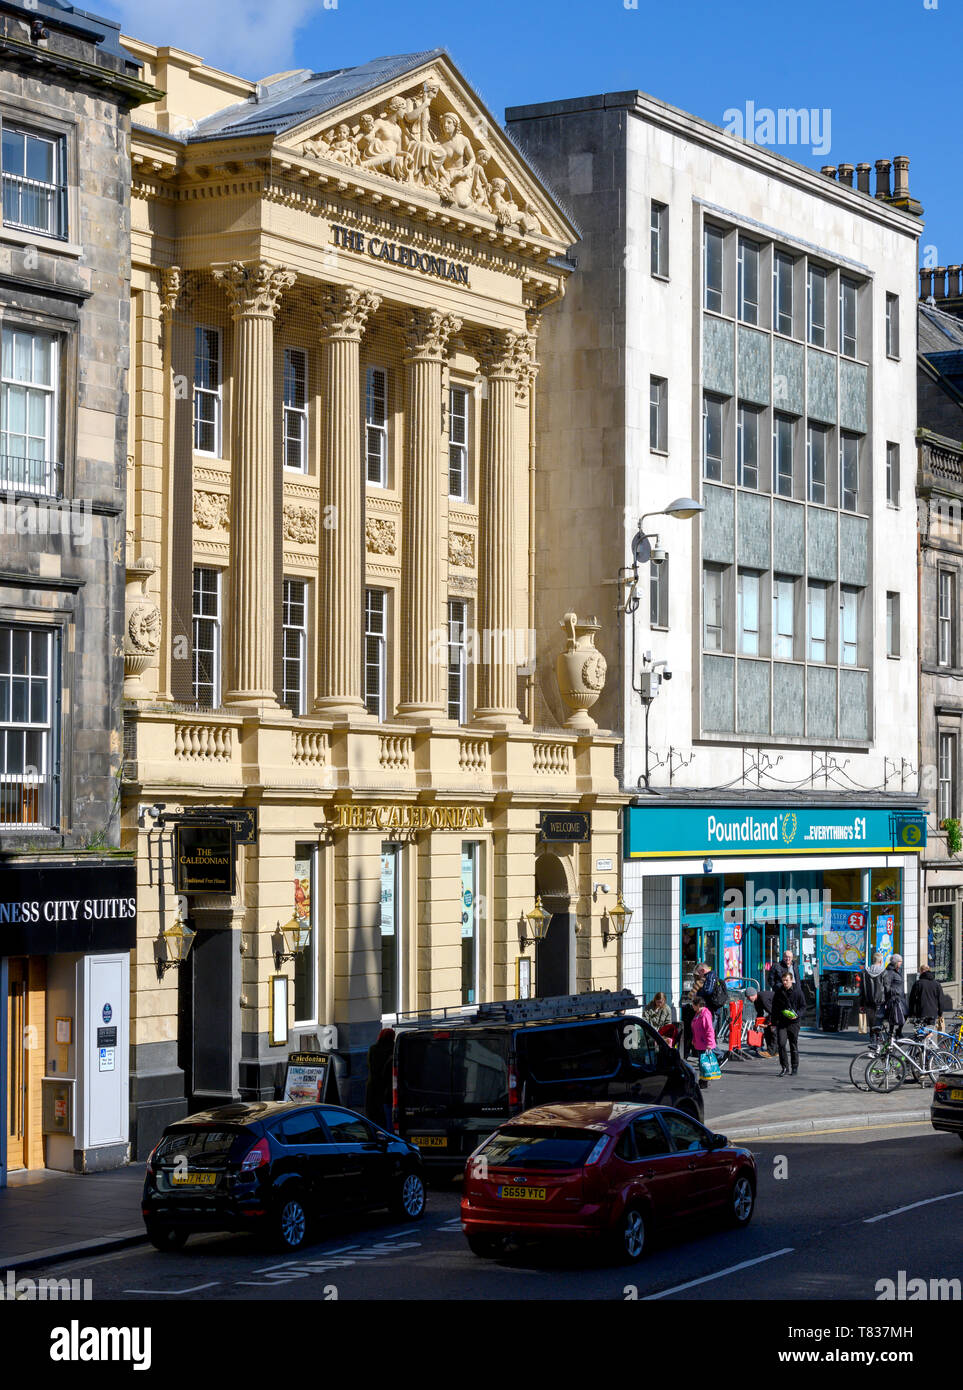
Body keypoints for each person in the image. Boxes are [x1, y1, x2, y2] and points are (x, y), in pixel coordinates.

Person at [772, 971, 805, 1076]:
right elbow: (774, 1008)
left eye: (787, 980)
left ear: (791, 980)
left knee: (793, 1044)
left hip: (794, 1022)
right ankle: (784, 1067)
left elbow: (803, 1006)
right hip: (782, 1022)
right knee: (781, 1044)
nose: (785, 982)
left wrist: (798, 1015)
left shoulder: (798, 991)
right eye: (783, 980)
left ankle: (794, 1067)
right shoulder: (779, 992)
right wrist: (773, 1023)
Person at [365, 1026, 395, 1128]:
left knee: (374, 1116)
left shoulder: (373, 1049)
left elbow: (370, 1066)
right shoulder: (394, 1050)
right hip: (388, 1088)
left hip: (373, 1087)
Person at [690, 996, 718, 1086]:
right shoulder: (698, 1013)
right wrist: (694, 1039)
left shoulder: (705, 1014)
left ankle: (704, 1082)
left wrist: (709, 1043)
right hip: (699, 1042)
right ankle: (704, 1080)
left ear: (698, 1005)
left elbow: (709, 1029)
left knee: (704, 1064)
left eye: (693, 1005)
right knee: (702, 1063)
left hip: (704, 1043)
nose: (692, 1006)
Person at [880, 954, 908, 1038]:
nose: (901, 963)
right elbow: (886, 986)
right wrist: (895, 992)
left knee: (905, 1014)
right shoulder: (889, 972)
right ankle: (891, 1032)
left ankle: (898, 1031)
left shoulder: (897, 971)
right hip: (893, 998)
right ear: (895, 962)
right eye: (900, 961)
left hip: (900, 998)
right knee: (893, 1015)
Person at [860, 952, 886, 1033]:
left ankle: (872, 1037)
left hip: (868, 1000)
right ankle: (878, 1037)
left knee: (871, 1020)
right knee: (879, 1021)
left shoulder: (865, 972)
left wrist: (861, 1002)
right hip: (880, 1000)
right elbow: (886, 987)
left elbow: (862, 988)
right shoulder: (884, 972)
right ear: (881, 962)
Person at [744, 987, 772, 1058]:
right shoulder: (756, 1001)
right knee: (767, 1030)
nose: (748, 999)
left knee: (771, 1029)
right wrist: (756, 1024)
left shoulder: (763, 999)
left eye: (748, 997)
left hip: (779, 1009)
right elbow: (760, 1013)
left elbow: (772, 1012)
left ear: (753, 995)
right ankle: (771, 1050)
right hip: (773, 1012)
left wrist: (766, 1024)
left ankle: (772, 1051)